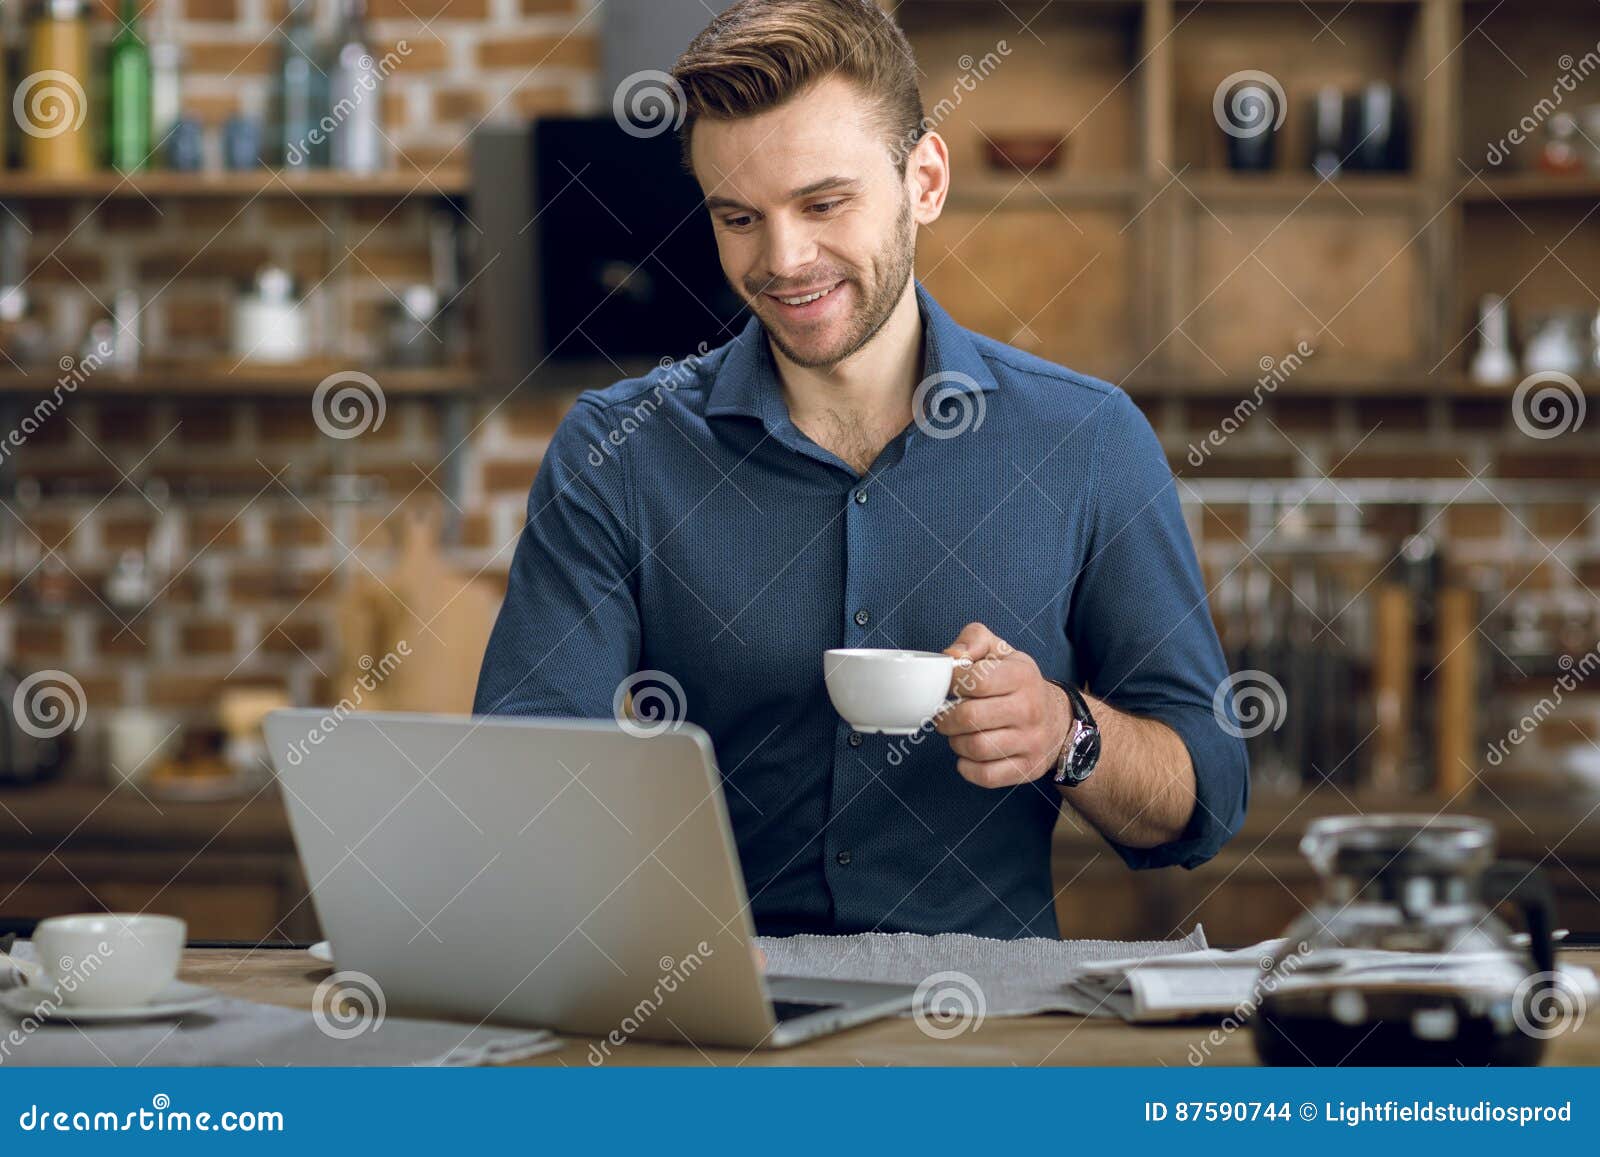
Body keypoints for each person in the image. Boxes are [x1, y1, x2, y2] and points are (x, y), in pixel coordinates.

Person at [475, 0, 1248, 939]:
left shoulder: (1084, 440)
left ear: (923, 179)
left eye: (823, 203)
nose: (784, 259)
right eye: (739, 217)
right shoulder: (617, 453)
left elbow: (1203, 794)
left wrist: (1065, 730)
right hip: (706, 1021)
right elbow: (527, 786)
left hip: (981, 1042)